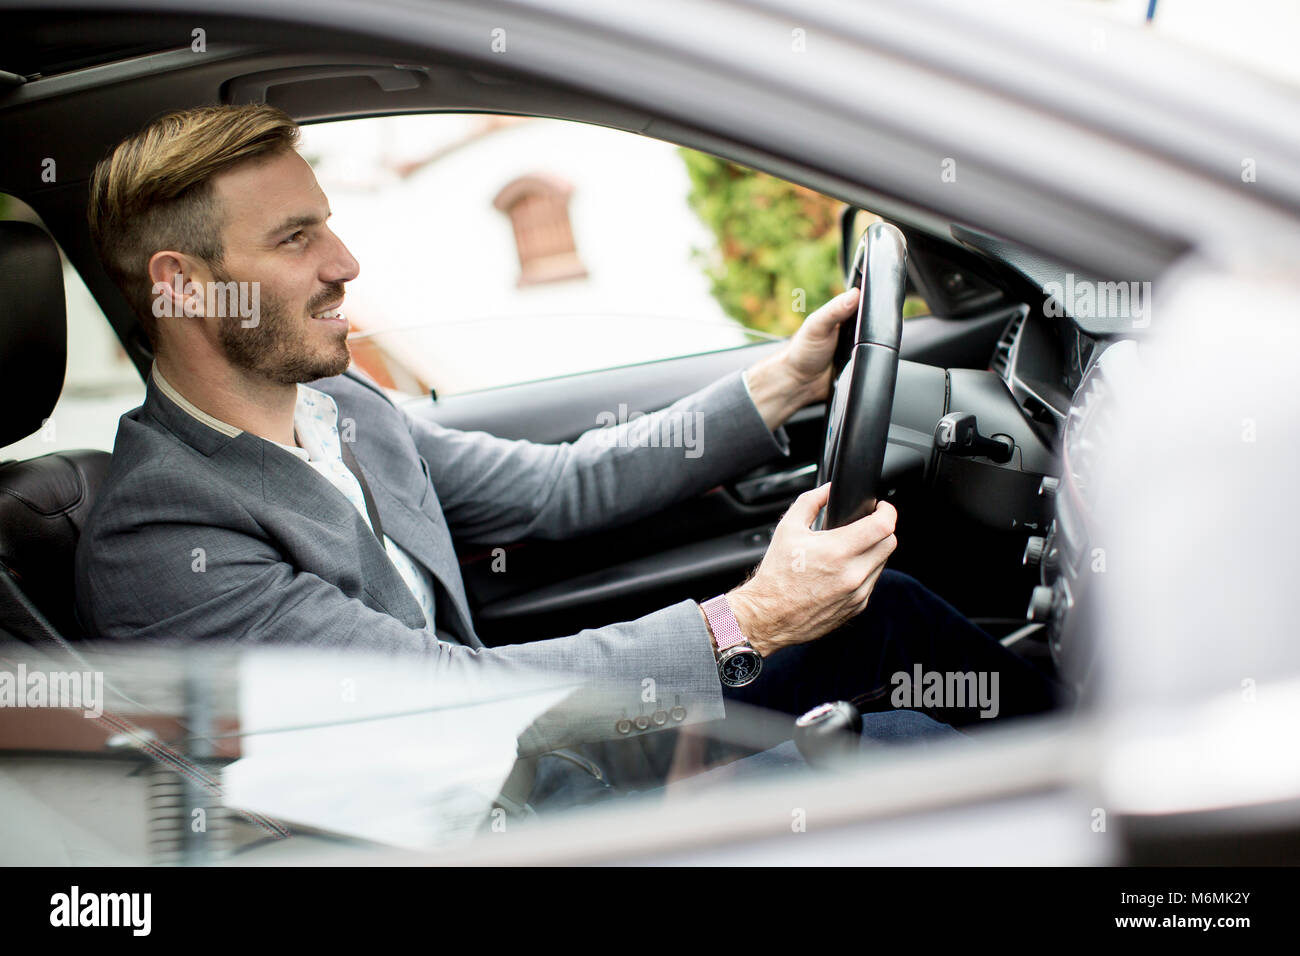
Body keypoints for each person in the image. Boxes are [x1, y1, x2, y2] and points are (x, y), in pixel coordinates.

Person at [75, 105, 1054, 811]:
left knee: (882, 612)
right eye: (296, 237)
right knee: (907, 759)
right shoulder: (160, 534)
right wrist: (751, 615)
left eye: (327, 221)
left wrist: (785, 381)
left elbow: (554, 488)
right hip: (484, 819)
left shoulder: (337, 406)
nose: (344, 261)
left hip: (533, 749)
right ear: (186, 287)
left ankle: (1106, 773)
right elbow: (434, 704)